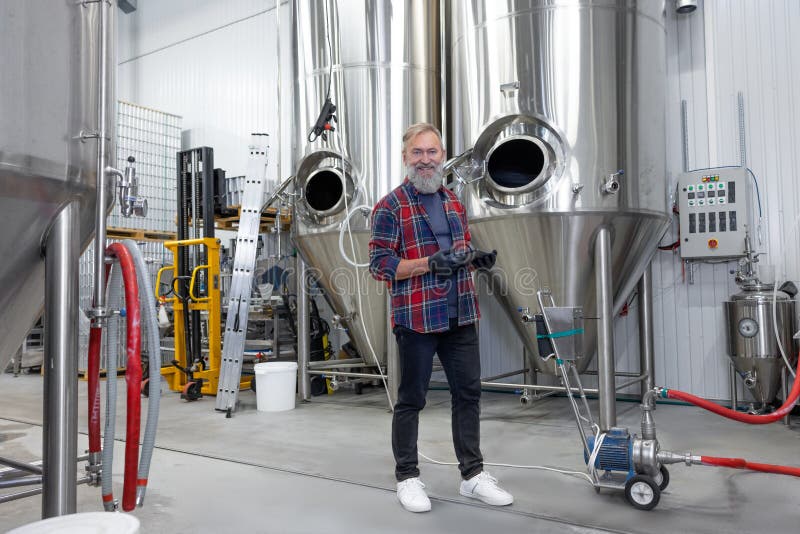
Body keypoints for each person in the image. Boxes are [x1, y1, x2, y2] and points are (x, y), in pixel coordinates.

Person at [368, 123, 512, 513]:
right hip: (416, 318)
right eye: (418, 152)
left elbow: (457, 250)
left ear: (442, 156)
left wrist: (473, 259)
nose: (426, 160)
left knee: (468, 395)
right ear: (405, 157)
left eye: (433, 152)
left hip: (461, 314)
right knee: (411, 399)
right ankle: (408, 477)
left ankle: (472, 476)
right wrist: (428, 264)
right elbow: (381, 265)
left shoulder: (454, 202)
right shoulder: (390, 206)